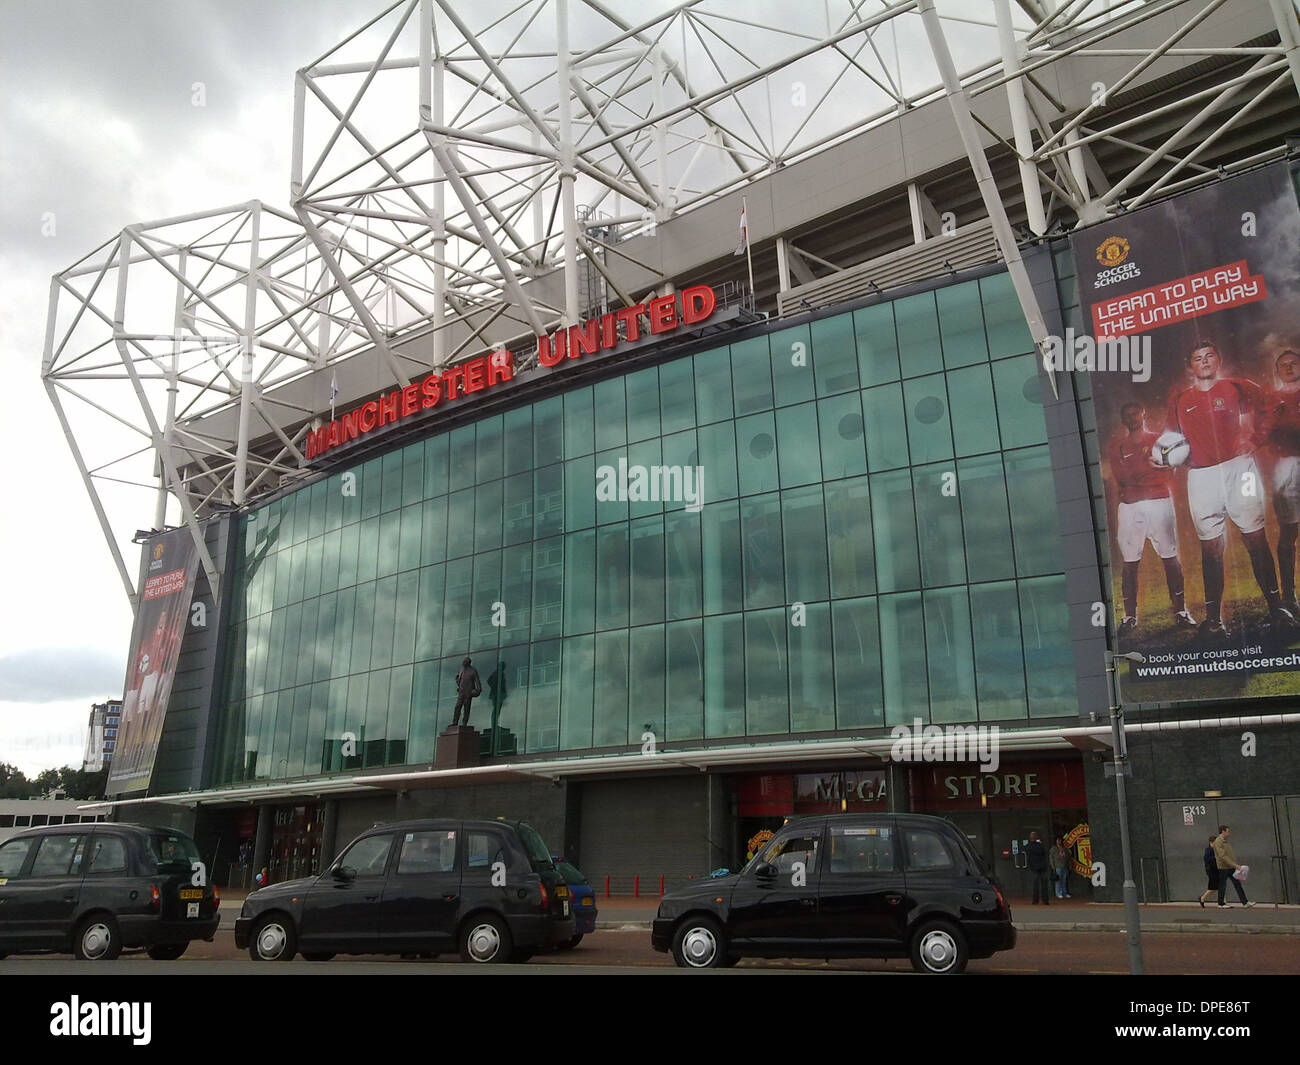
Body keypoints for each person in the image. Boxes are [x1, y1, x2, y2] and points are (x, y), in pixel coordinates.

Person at [1164, 341, 1296, 640]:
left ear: (1219, 360)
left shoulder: (1237, 386)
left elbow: (1273, 406)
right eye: (1198, 358)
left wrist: (1256, 438)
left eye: (1210, 355)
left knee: (1255, 537)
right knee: (1210, 547)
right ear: (1190, 367)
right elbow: (1170, 438)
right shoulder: (1180, 398)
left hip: (1240, 470)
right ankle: (1213, 622)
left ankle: (1277, 609)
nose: (1205, 361)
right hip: (1201, 478)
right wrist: (1166, 458)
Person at [1109, 402, 1197, 641]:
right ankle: (1129, 617)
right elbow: (1122, 478)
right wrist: (1146, 469)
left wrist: (1146, 472)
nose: (1132, 416)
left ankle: (1180, 611)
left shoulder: (1161, 440)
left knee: (1170, 557)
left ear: (1143, 412)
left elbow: (1171, 470)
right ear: (1123, 419)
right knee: (1130, 562)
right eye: (1127, 414)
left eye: (1135, 411)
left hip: (1159, 503)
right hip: (1129, 508)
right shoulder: (1116, 446)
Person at [1264, 344, 1300, 615]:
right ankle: (1289, 595)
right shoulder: (1271, 401)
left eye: (1294, 363)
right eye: (1283, 364)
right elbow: (1262, 436)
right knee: (1289, 531)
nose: (1289, 367)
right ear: (1276, 371)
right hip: (1286, 468)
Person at [1212, 824, 1255, 907]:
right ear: (1223, 831)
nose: (1229, 833)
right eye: (1227, 831)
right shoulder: (1218, 842)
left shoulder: (1225, 841)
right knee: (1222, 885)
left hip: (1230, 866)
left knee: (1237, 884)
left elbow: (1229, 854)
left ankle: (1245, 902)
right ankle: (1220, 903)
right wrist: (1236, 866)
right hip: (1223, 867)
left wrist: (1234, 864)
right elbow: (1223, 856)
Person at [450, 656, 482, 726]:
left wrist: (477, 691)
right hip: (461, 692)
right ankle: (455, 722)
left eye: (465, 661)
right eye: (463, 661)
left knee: (466, 708)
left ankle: (464, 722)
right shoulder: (461, 669)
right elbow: (459, 679)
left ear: (468, 663)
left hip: (468, 692)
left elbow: (477, 682)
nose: (463, 663)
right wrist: (457, 681)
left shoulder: (473, 671)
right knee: (457, 707)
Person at [1025, 831, 1050, 905]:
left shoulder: (1028, 846)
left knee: (1035, 884)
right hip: (1042, 866)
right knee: (1044, 884)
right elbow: (1044, 853)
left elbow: (1028, 857)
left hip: (1034, 867)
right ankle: (1045, 900)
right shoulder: (1040, 845)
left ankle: (1035, 900)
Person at [1198, 834, 1219, 908]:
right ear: (1211, 842)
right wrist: (1215, 859)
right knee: (1214, 887)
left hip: (1216, 870)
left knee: (1217, 887)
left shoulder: (1215, 849)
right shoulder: (1208, 849)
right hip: (1211, 871)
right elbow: (1207, 859)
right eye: (1215, 843)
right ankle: (1203, 898)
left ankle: (1203, 898)